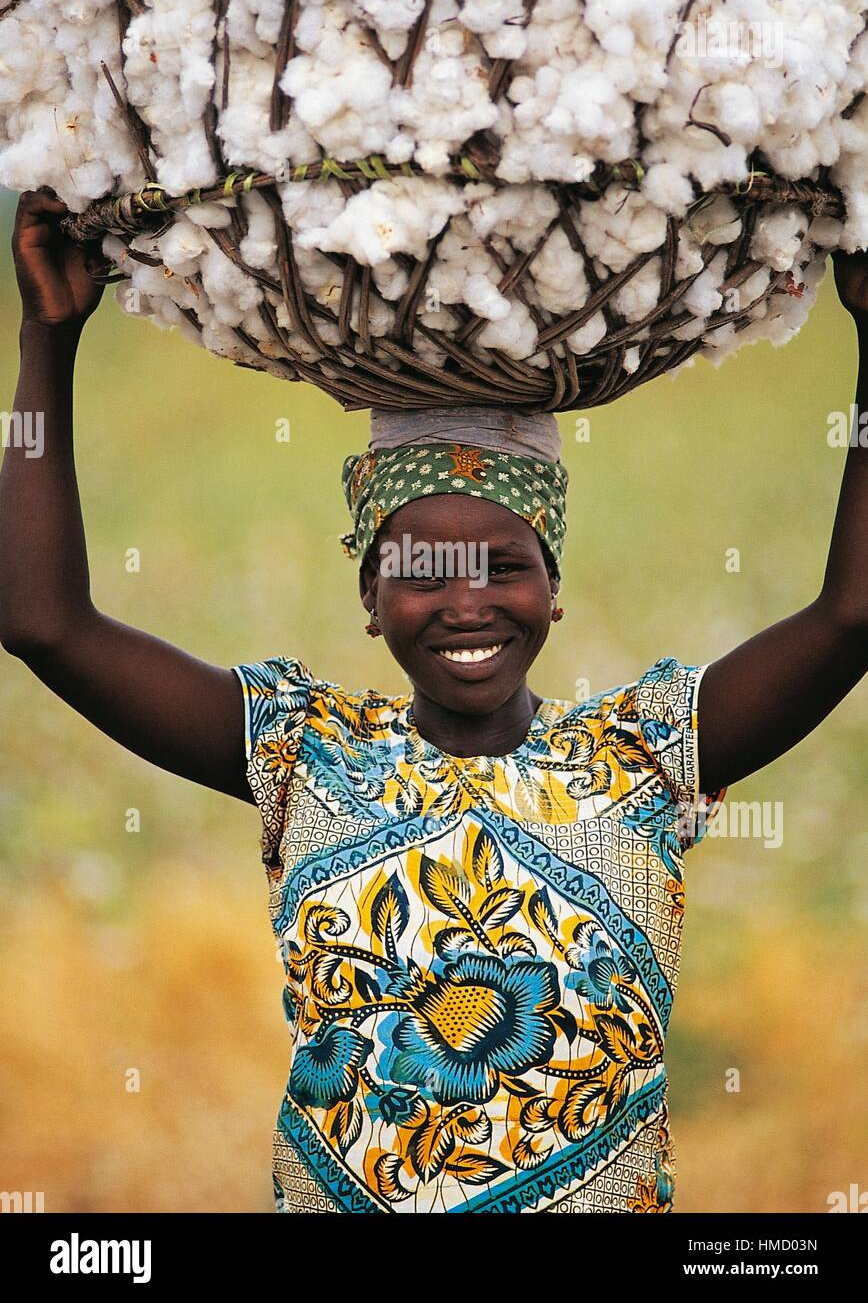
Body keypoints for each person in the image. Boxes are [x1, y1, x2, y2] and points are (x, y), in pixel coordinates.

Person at [1, 188, 866, 1215]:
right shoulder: (303, 748)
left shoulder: (646, 753)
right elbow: (43, 621)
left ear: (552, 587)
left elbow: (852, 615)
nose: (467, 604)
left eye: (502, 566)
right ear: (370, 596)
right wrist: (46, 342)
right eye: (421, 569)